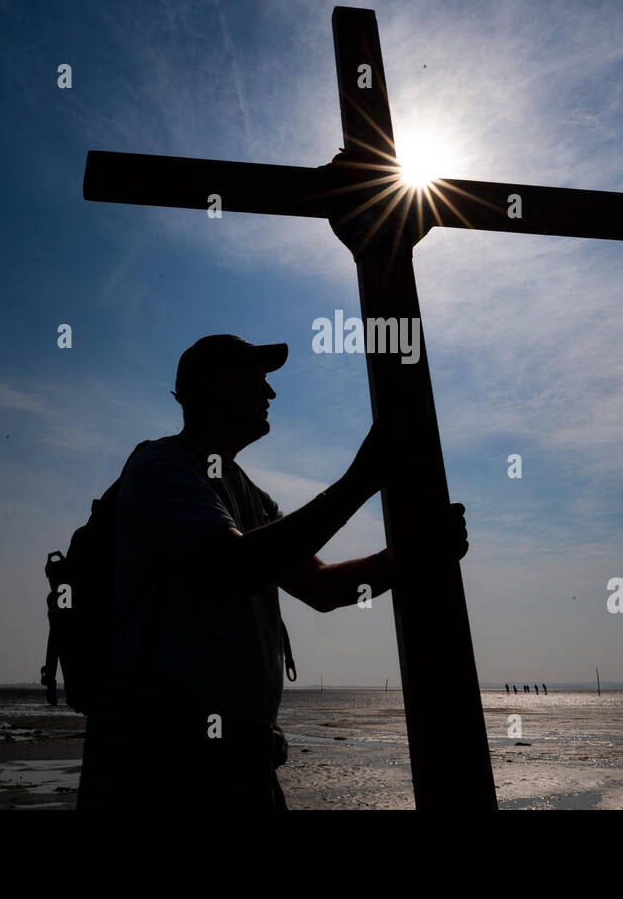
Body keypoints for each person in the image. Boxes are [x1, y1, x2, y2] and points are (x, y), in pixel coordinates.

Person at [76, 334, 469, 811]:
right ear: (213, 384)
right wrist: (359, 482)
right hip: (163, 759)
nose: (271, 393)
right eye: (257, 378)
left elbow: (321, 588)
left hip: (241, 757)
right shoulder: (161, 466)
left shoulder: (250, 496)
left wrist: (409, 554)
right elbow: (234, 566)